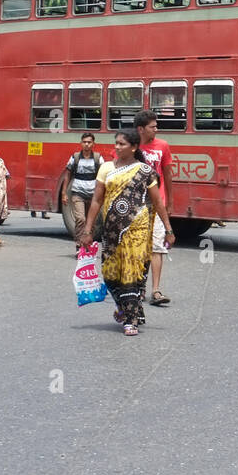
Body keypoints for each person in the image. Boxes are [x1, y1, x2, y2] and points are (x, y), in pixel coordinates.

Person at [77, 128, 176, 335]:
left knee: (131, 272)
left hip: (138, 230)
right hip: (111, 231)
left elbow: (157, 202)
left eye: (122, 144)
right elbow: (96, 200)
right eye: (116, 143)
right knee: (110, 274)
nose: (117, 147)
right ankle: (126, 307)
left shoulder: (145, 171)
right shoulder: (105, 168)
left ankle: (129, 319)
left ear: (133, 147)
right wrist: (87, 229)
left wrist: (168, 229)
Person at [134, 110, 176, 305]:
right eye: (153, 127)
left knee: (157, 247)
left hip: (158, 203)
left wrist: (170, 203)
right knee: (137, 247)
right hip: (135, 205)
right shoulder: (129, 145)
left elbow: (167, 175)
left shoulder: (163, 146)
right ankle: (137, 287)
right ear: (141, 129)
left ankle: (156, 290)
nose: (156, 130)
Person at [62, 133, 101, 241]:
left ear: (93, 144)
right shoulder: (75, 157)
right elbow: (67, 174)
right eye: (84, 142)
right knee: (80, 219)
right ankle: (79, 244)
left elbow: (103, 176)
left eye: (89, 142)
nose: (87, 144)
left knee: (91, 220)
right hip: (78, 193)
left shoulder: (98, 158)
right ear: (81, 143)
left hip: (93, 195)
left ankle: (87, 245)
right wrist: (64, 193)